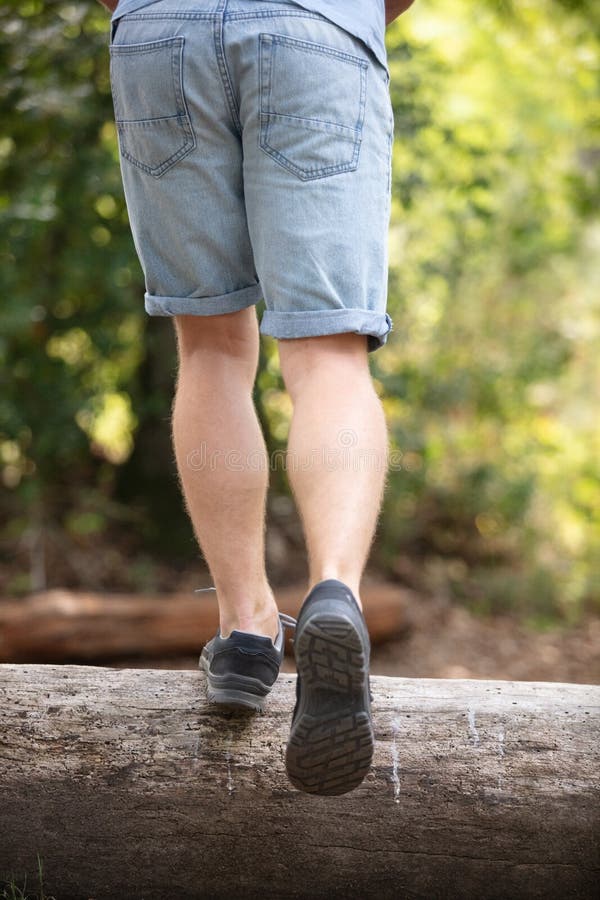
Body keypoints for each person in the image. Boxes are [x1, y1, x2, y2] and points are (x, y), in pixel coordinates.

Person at [98, 0, 414, 796]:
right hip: (318, 28)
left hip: (159, 32)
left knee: (209, 344)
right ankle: (333, 590)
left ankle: (244, 629)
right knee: (327, 355)